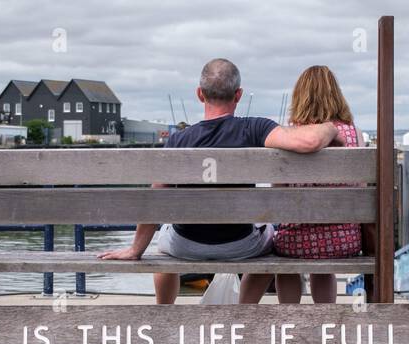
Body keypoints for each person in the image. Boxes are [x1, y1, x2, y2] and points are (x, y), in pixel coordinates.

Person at [98, 58, 341, 303]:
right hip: (241, 245)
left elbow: (154, 202)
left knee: (163, 240)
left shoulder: (178, 141)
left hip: (186, 245)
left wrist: (135, 250)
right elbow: (307, 142)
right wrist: (331, 128)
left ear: (199, 94)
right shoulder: (255, 128)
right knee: (271, 239)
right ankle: (243, 311)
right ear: (238, 95)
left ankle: (165, 312)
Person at [239, 66, 363, 305]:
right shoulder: (353, 133)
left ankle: (290, 317)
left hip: (296, 242)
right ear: (336, 95)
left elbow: (279, 194)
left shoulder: (291, 136)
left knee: (286, 257)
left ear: (300, 96)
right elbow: (358, 186)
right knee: (323, 262)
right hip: (344, 240)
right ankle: (326, 318)